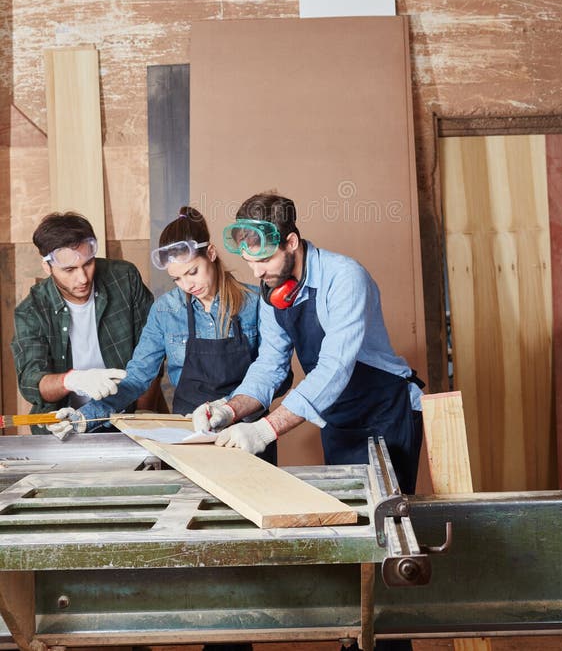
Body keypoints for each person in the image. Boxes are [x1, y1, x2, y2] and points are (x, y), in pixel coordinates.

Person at [194, 193, 424, 651]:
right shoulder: (274, 292)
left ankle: (388, 642)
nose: (256, 272)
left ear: (292, 242)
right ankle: (352, 637)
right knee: (352, 538)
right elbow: (270, 365)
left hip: (385, 412)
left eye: (264, 260)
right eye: (249, 261)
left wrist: (265, 429)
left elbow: (335, 367)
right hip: (338, 419)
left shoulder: (345, 277)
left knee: (385, 543)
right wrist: (230, 409)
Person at [58, 207, 291, 466]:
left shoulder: (256, 303)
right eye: (176, 278)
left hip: (246, 435)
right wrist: (84, 417)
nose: (188, 285)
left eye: (192, 272)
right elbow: (137, 379)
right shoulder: (166, 310)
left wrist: (228, 407)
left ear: (211, 254)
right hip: (189, 437)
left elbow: (279, 377)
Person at [10, 211, 155, 436]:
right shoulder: (31, 311)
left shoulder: (124, 278)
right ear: (47, 267)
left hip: (124, 417)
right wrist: (72, 379)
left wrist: (143, 412)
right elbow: (31, 384)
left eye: (87, 264)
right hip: (60, 426)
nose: (83, 278)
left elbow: (152, 350)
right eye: (69, 270)